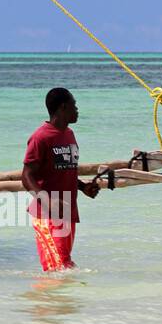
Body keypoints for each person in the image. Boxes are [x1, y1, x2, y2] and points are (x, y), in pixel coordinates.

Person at [22, 87, 100, 271]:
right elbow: (26, 176)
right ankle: (46, 299)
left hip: (68, 211)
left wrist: (82, 187)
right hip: (48, 214)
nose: (77, 109)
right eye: (74, 105)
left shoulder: (69, 134)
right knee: (56, 269)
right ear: (63, 107)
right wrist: (47, 201)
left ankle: (61, 300)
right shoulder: (40, 137)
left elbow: (64, 170)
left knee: (63, 265)